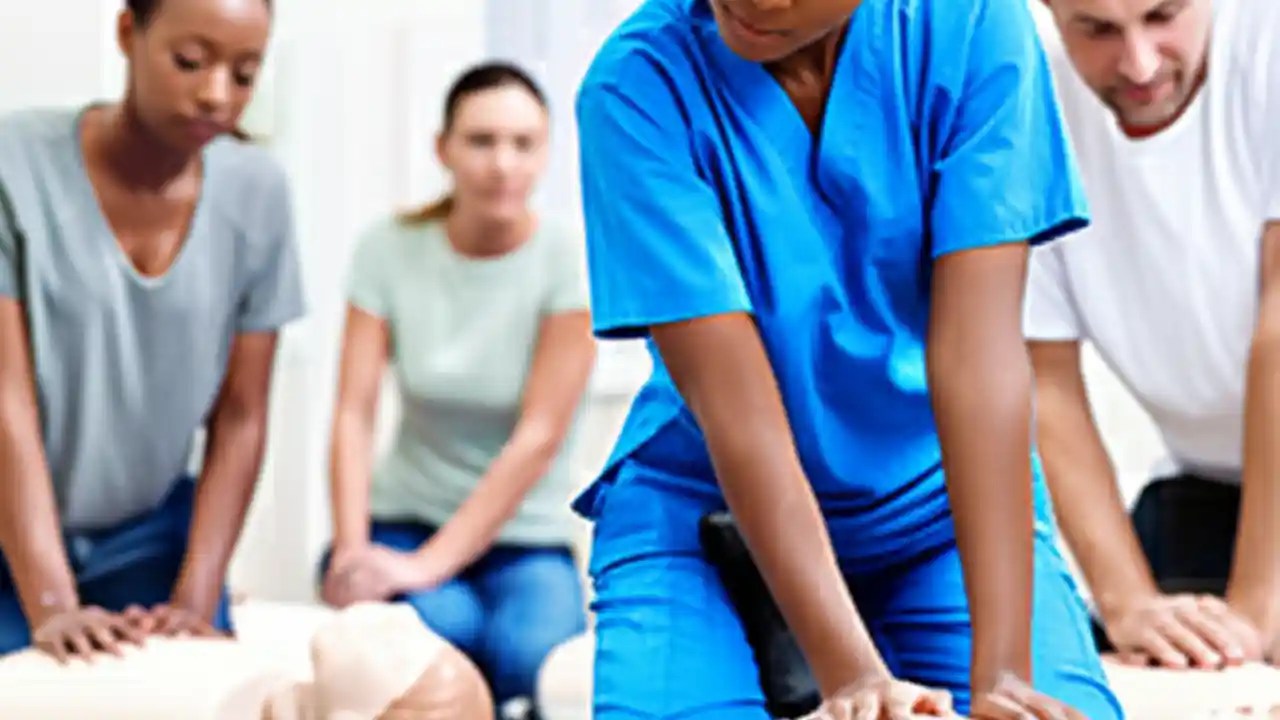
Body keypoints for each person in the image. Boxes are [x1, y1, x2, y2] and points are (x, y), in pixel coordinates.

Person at [572, 0, 1124, 718]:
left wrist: (1005, 676)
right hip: (702, 515)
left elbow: (977, 356)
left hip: (937, 509)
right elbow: (742, 420)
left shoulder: (972, 24)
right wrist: (853, 678)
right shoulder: (637, 87)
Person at [0, 0, 301, 662]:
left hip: (148, 532)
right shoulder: (14, 162)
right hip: (9, 527)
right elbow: (6, 401)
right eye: (190, 62)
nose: (216, 94)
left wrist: (198, 595)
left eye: (245, 73)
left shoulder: (259, 193)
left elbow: (241, 417)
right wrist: (53, 605)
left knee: (185, 674)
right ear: (128, 31)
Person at [320, 62, 595, 719]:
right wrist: (354, 552)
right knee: (435, 643)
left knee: (530, 660)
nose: (503, 163)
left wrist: (428, 567)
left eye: (524, 143)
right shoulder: (387, 248)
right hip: (403, 521)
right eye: (481, 141)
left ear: (547, 153)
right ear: (442, 148)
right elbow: (353, 415)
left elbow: (539, 438)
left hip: (526, 537)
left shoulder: (570, 258)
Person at [1028, 0, 1280, 670]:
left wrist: (1255, 613)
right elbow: (1042, 378)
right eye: (1098, 30)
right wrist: (1127, 603)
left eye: (1162, 15)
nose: (1138, 64)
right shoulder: (1029, 118)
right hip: (1202, 488)